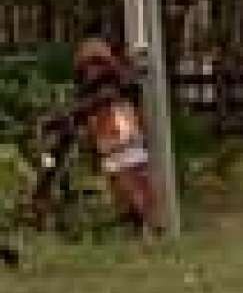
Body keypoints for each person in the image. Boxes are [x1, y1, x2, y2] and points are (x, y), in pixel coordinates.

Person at [30, 37, 159, 234]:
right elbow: (81, 111)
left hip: (128, 144)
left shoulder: (118, 82)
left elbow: (104, 97)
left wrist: (67, 115)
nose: (93, 70)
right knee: (121, 190)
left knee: (136, 186)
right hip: (109, 148)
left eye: (97, 63)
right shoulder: (86, 91)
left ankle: (147, 226)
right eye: (88, 65)